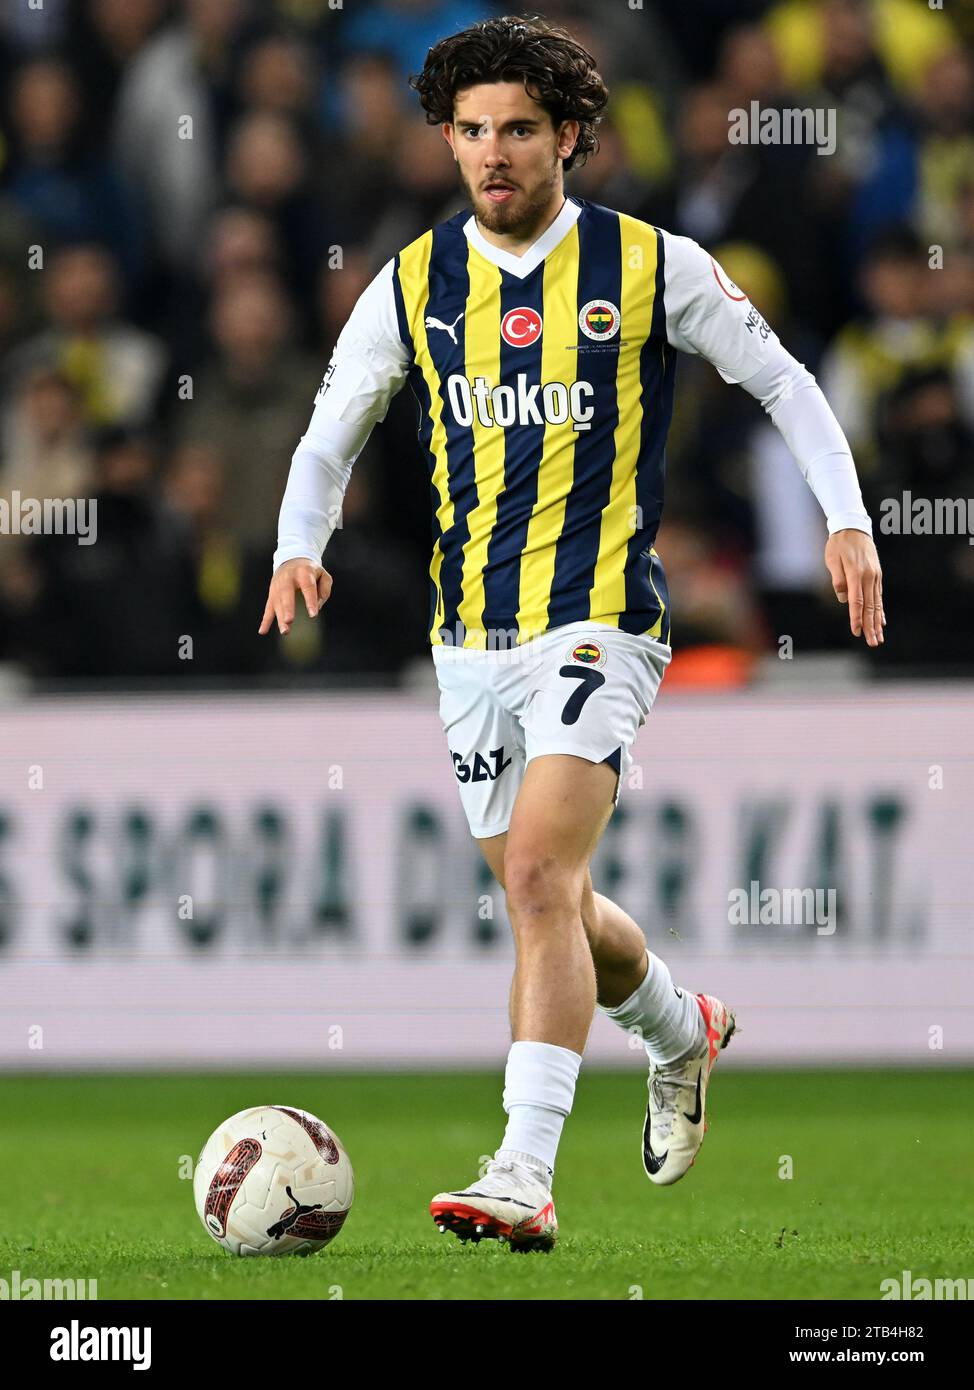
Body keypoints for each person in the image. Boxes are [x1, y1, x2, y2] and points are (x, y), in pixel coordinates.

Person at [260, 15, 884, 1253]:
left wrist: (847, 520)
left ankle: (522, 1170)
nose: (492, 155)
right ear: (446, 138)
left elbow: (784, 382)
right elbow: (330, 431)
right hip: (469, 637)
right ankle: (678, 1029)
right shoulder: (413, 281)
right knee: (551, 900)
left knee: (539, 876)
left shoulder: (650, 266)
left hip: (600, 621)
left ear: (570, 137)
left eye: (519, 132)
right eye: (472, 132)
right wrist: (297, 542)